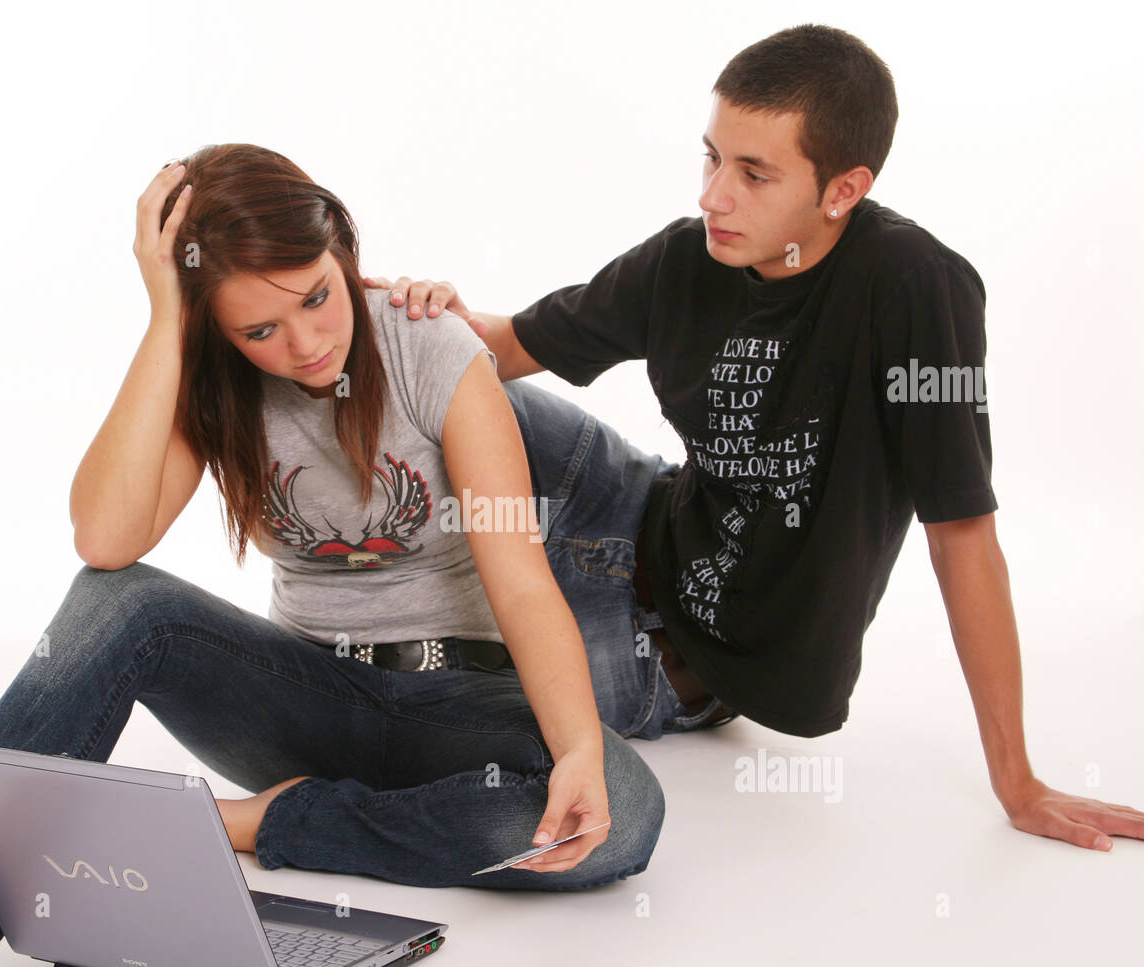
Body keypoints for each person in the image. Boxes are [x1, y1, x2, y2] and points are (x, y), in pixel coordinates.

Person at [0, 143, 665, 967]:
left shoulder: (432, 347)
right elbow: (105, 537)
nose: (307, 345)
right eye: (259, 331)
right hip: (303, 698)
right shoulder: (212, 377)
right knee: (119, 601)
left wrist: (578, 751)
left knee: (619, 814)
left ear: (341, 253)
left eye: (317, 297)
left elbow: (521, 579)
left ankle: (245, 826)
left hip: (453, 707)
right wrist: (168, 321)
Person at [367, 23, 1144, 851]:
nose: (713, 196)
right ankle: (357, 563)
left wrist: (1016, 781)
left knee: (407, 691)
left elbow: (961, 534)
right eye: (712, 158)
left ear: (843, 190)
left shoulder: (915, 289)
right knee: (446, 370)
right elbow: (507, 347)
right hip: (634, 511)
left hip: (685, 660)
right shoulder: (687, 258)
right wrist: (421, 315)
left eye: (754, 173)